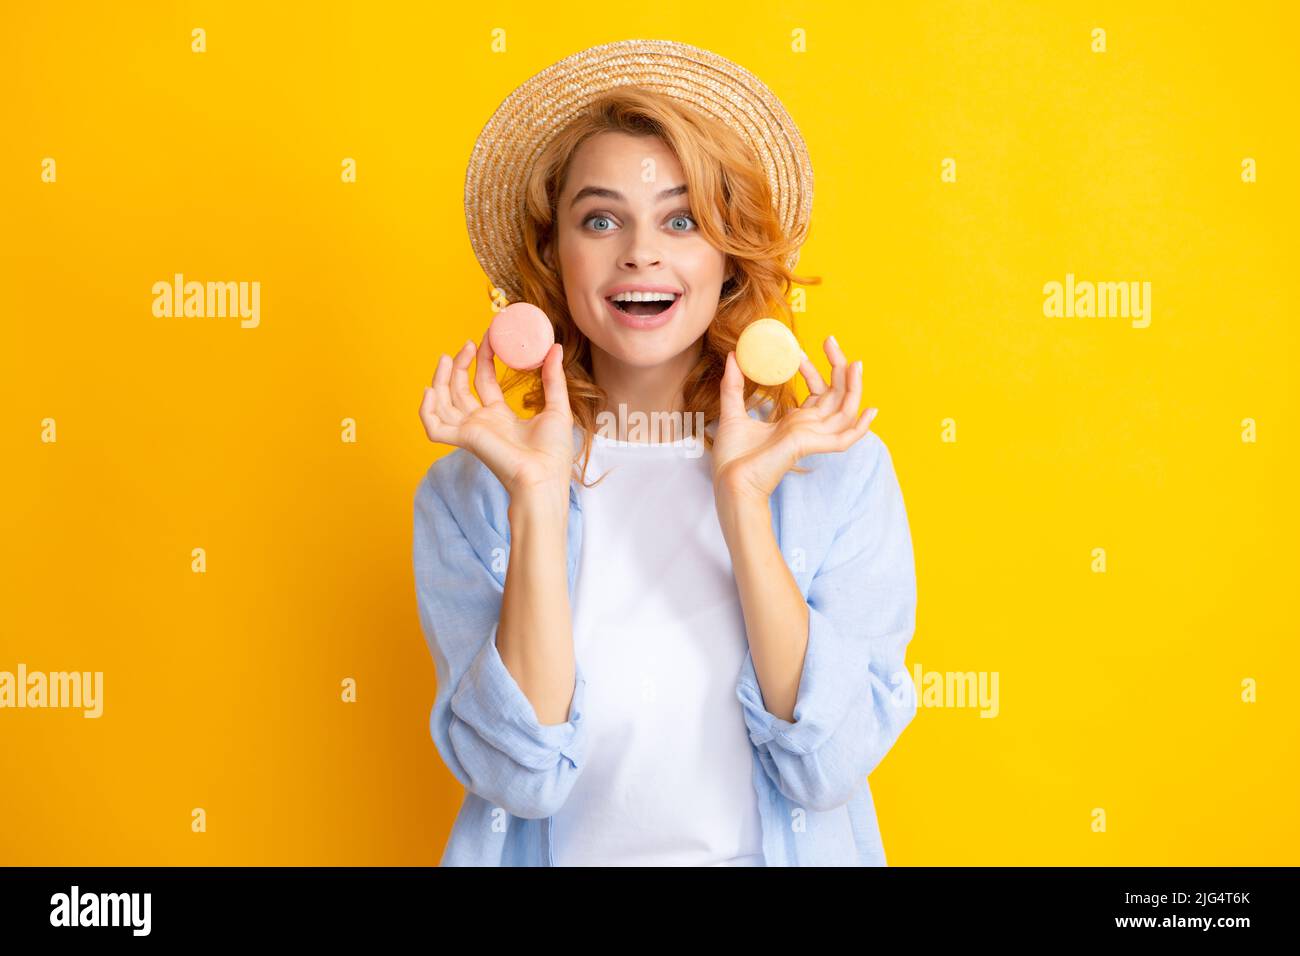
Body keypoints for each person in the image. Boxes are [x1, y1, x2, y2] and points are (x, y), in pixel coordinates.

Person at [414, 40, 918, 866]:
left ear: (726, 264)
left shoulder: (838, 474)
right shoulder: (468, 495)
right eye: (600, 219)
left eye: (681, 220)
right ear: (554, 259)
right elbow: (517, 776)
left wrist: (745, 504)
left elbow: (829, 764)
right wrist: (537, 500)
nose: (640, 251)